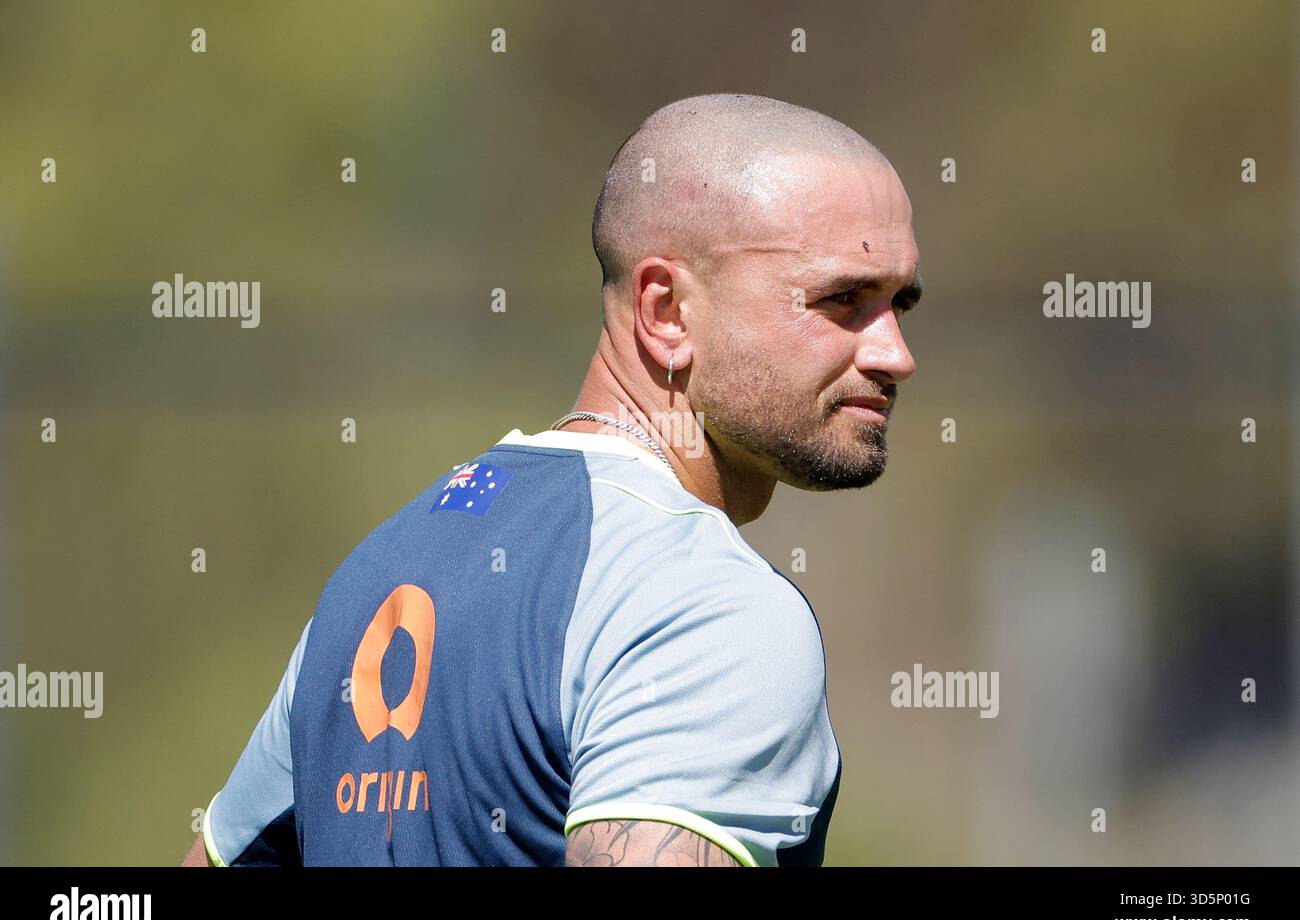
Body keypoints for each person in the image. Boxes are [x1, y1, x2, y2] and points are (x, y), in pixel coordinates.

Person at [182, 91, 921, 867]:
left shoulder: (376, 573)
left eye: (899, 303)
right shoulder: (701, 604)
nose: (895, 353)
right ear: (665, 309)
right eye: (843, 300)